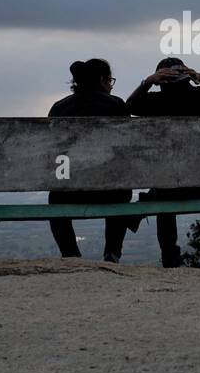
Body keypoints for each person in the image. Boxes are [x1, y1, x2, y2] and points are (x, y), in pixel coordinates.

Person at [126, 57, 200, 267]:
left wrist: (147, 82)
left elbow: (128, 106)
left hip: (167, 189)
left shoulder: (153, 102)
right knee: (165, 188)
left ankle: (169, 256)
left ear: (161, 80)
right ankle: (148, 200)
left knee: (163, 191)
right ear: (186, 76)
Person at [47, 59, 141, 262]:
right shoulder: (116, 105)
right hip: (110, 192)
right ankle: (112, 252)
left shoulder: (59, 108)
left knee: (54, 199)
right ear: (101, 80)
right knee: (121, 191)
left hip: (68, 193)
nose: (111, 86)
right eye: (110, 81)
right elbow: (128, 150)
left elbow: (52, 154)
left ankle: (70, 253)